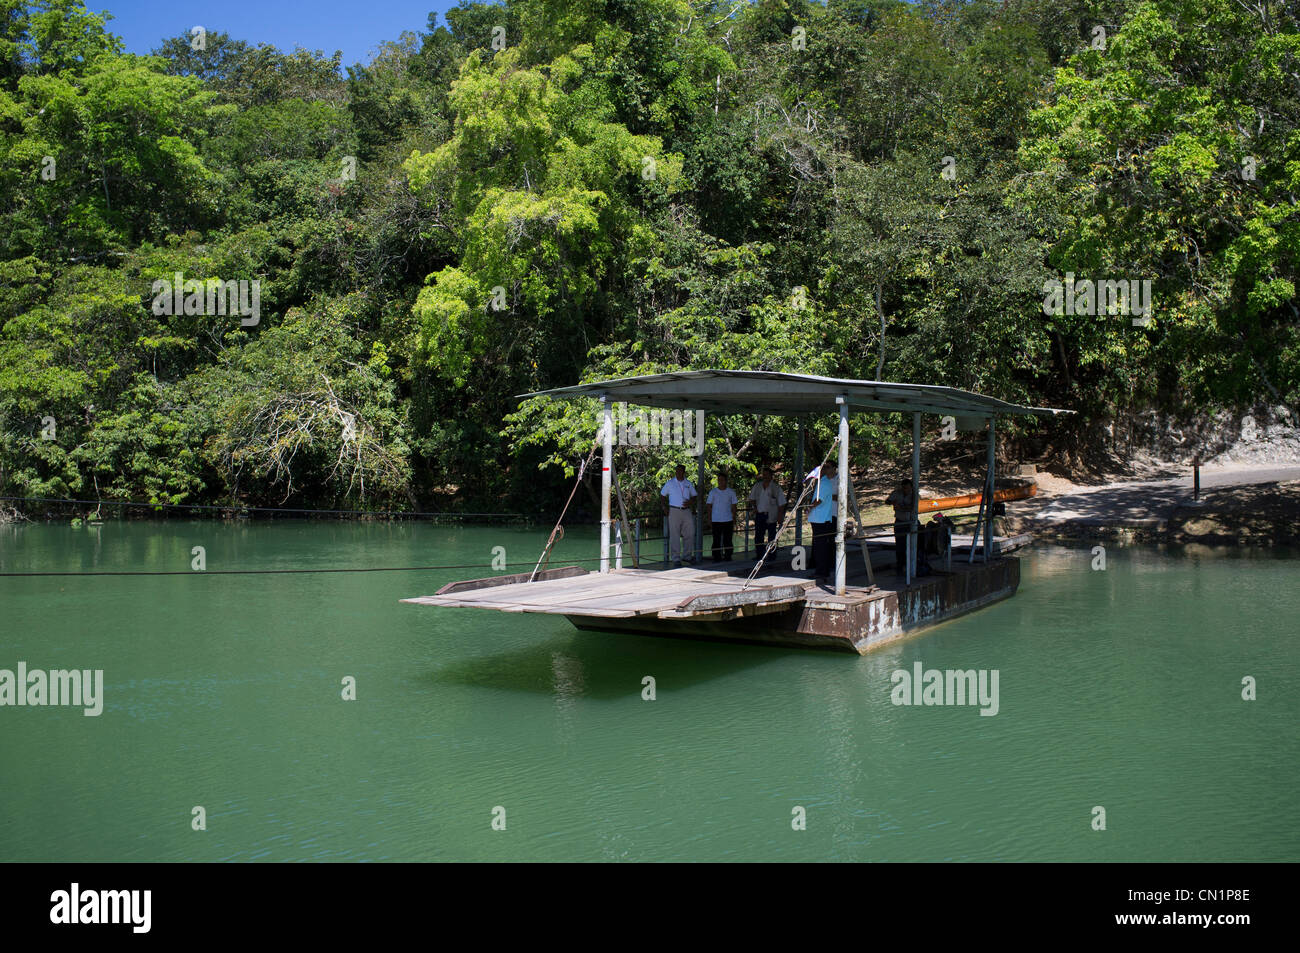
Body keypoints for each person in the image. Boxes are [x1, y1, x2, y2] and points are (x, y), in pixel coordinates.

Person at [660, 464, 698, 567]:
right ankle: (676, 558)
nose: (678, 472)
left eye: (680, 471)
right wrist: (664, 508)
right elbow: (662, 495)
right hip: (674, 510)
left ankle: (687, 556)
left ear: (683, 472)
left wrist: (690, 502)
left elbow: (695, 496)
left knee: (690, 533)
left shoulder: (688, 483)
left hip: (686, 511)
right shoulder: (670, 483)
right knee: (675, 535)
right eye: (676, 471)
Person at [807, 460, 838, 585]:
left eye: (826, 468)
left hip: (821, 518)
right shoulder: (822, 482)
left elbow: (819, 499)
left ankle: (822, 571)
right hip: (819, 518)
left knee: (821, 547)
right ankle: (821, 569)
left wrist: (810, 507)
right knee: (820, 545)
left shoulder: (824, 483)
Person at [748, 467, 787, 555]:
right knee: (758, 536)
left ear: (771, 476)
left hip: (771, 515)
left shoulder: (776, 487)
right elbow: (751, 498)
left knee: (772, 537)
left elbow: (782, 503)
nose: (765, 476)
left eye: (767, 474)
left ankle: (771, 555)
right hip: (760, 514)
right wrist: (755, 507)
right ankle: (759, 555)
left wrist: (780, 515)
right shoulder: (757, 486)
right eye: (763, 474)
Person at [705, 472, 739, 562]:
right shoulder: (713, 492)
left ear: (726, 481)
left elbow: (734, 506)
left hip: (728, 519)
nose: (720, 482)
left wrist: (734, 517)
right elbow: (708, 505)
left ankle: (728, 556)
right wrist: (709, 519)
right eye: (719, 480)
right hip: (716, 519)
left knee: (728, 539)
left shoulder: (731, 492)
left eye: (722, 480)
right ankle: (716, 557)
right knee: (716, 539)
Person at [885, 478, 915, 577]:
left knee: (910, 544)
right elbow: (887, 501)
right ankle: (900, 565)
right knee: (899, 545)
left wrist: (901, 508)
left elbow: (913, 508)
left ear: (911, 487)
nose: (905, 490)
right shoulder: (897, 493)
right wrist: (893, 503)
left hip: (910, 522)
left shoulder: (914, 495)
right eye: (903, 488)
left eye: (907, 488)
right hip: (899, 521)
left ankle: (910, 564)